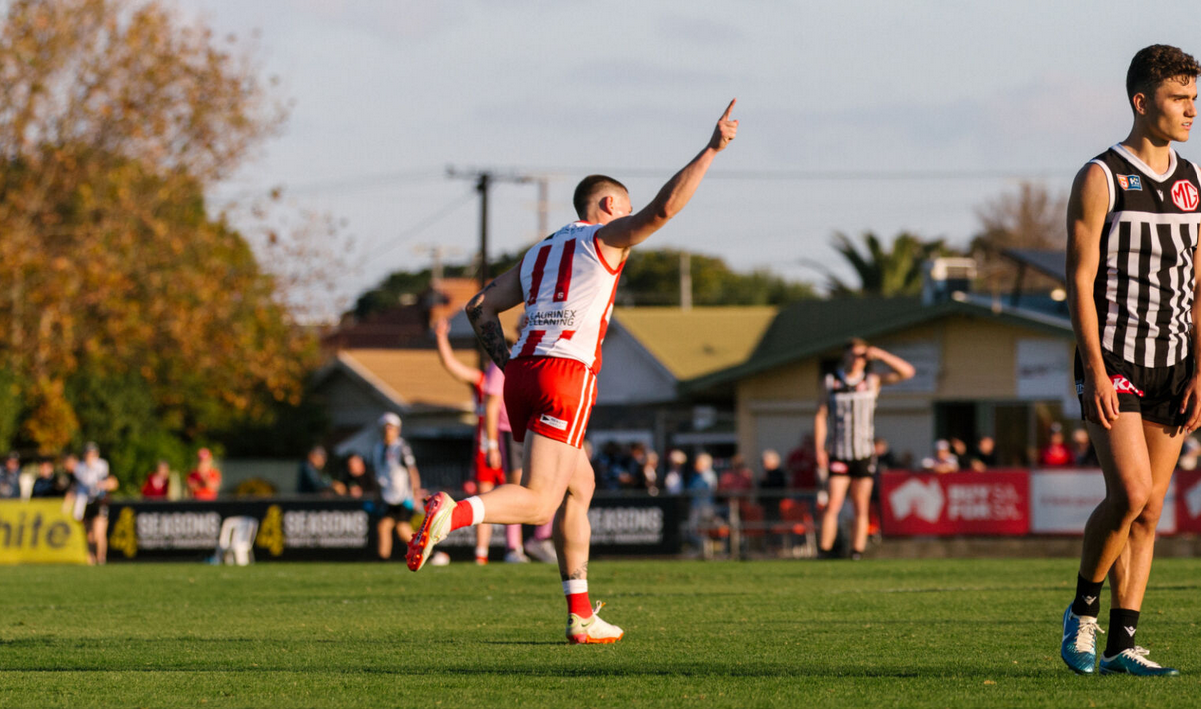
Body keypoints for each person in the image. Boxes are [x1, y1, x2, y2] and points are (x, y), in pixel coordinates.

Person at [406, 100, 739, 645]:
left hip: (524, 373)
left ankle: (581, 613)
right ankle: (456, 511)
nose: (628, 223)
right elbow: (663, 211)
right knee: (539, 498)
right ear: (608, 204)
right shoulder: (602, 239)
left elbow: (479, 310)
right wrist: (711, 150)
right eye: (622, 209)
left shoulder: (540, 250)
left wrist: (512, 367)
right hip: (567, 373)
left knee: (579, 484)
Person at [1060, 45, 1200, 677]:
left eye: (1194, 99)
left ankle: (1122, 644)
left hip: (1175, 363)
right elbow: (1080, 280)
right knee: (1129, 494)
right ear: (1142, 102)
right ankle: (1082, 613)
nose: (1190, 110)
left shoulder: (1193, 180)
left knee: (1151, 512)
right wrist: (1092, 369)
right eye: (1179, 99)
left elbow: (1197, 283)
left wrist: (1200, 367)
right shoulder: (1102, 175)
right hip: (1114, 357)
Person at [433, 317, 527, 564]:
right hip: (488, 445)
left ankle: (512, 548)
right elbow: (451, 364)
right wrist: (441, 337)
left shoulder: (516, 372)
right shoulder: (483, 380)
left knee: (514, 493)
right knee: (484, 498)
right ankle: (481, 554)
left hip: (511, 438)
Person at [814, 339, 915, 559]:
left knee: (861, 504)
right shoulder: (831, 382)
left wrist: (880, 354)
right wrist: (819, 448)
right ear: (845, 355)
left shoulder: (872, 380)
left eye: (862, 355)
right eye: (853, 354)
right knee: (833, 503)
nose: (857, 359)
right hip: (839, 451)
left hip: (863, 452)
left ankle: (856, 551)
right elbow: (821, 415)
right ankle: (824, 550)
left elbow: (907, 372)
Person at [373, 413, 423, 560]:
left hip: (403, 497)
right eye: (386, 428)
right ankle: (382, 560)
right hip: (389, 496)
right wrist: (377, 495)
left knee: (402, 529)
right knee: (383, 526)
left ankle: (425, 553)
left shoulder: (401, 447)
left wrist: (416, 495)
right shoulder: (378, 448)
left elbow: (412, 471)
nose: (388, 431)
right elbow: (379, 475)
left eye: (391, 428)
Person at [74, 442, 118, 564]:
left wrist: (104, 485)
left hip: (100, 500)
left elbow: (112, 482)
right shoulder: (80, 468)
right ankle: (91, 558)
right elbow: (82, 483)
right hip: (86, 502)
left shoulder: (102, 465)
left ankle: (101, 558)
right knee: (89, 534)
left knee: (99, 533)